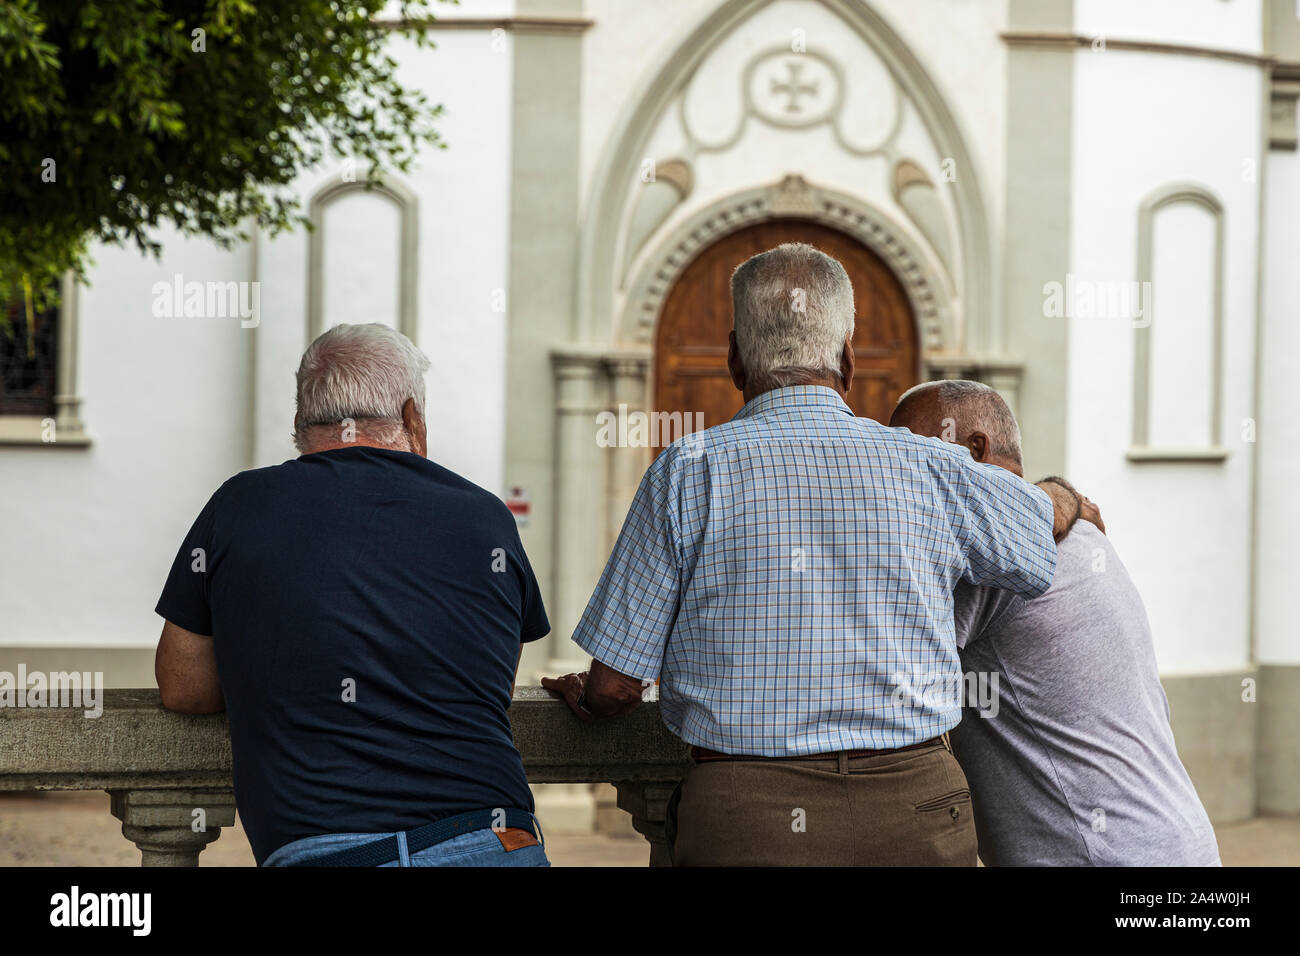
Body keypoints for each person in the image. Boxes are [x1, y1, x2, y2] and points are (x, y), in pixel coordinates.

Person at [544, 242, 1084, 866]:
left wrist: (585, 698)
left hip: (747, 817)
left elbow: (615, 687)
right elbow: (1036, 545)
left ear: (734, 358)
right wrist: (1060, 493)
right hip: (916, 811)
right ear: (849, 359)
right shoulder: (934, 465)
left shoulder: (688, 471)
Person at [154, 323, 550, 867]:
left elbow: (184, 687)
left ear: (298, 423)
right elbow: (489, 682)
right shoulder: (487, 518)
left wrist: (277, 672)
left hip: (327, 850)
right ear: (413, 418)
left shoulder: (238, 506)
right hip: (496, 839)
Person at [889, 380, 1220, 866]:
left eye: (913, 454)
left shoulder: (988, 562)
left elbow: (880, 656)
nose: (900, 478)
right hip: (1175, 841)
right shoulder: (1083, 534)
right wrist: (1061, 493)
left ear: (973, 448)